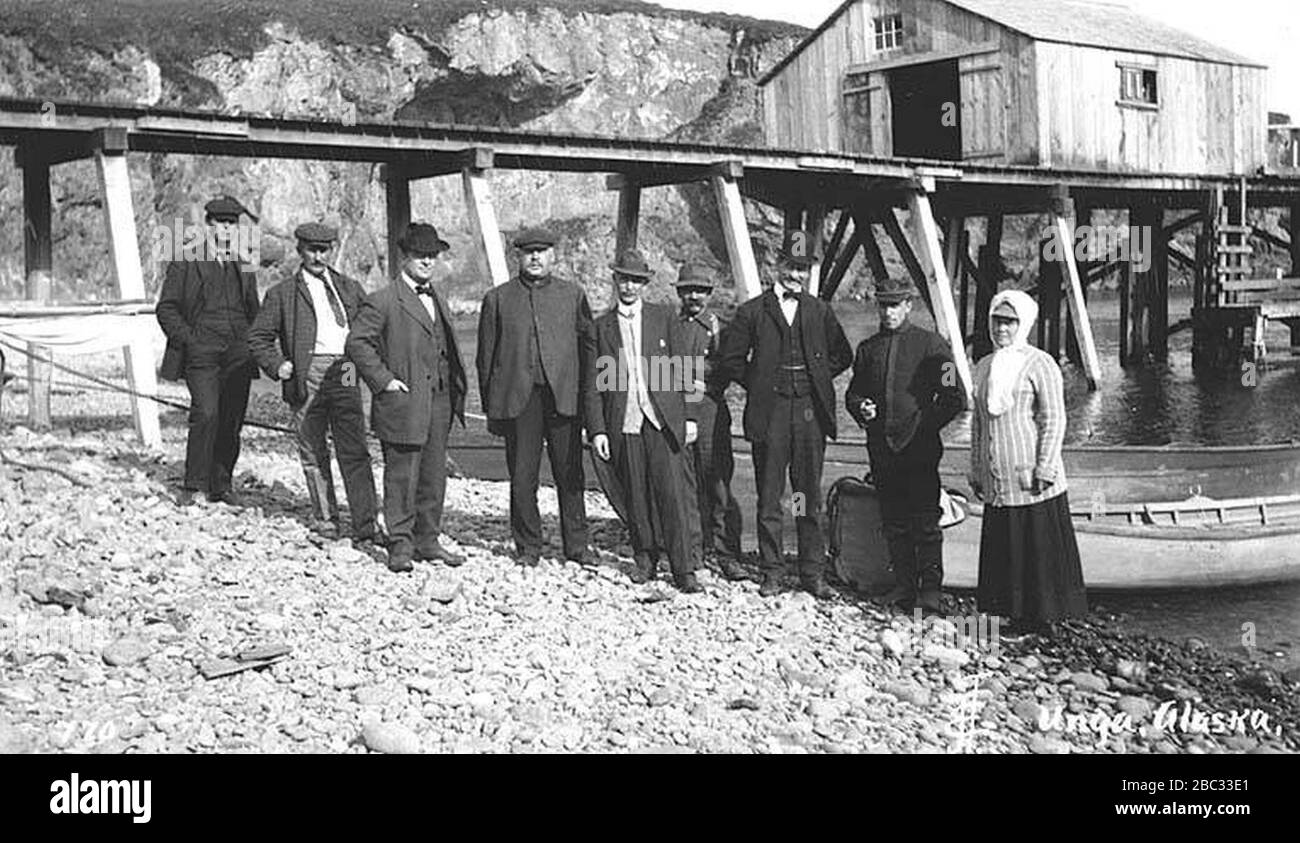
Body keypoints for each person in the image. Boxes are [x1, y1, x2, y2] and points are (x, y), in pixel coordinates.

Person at [711, 232, 853, 598]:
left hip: (808, 414)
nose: (797, 275)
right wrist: (760, 384)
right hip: (769, 414)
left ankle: (811, 573)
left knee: (806, 495)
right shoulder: (752, 311)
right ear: (777, 266)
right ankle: (771, 571)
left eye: (803, 269)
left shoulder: (819, 310)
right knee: (771, 496)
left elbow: (843, 355)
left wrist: (816, 379)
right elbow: (730, 361)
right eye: (792, 266)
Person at [345, 223, 468, 574]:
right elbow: (356, 343)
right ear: (405, 257)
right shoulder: (384, 299)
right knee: (401, 475)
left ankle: (427, 539)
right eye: (420, 255)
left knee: (433, 473)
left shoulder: (438, 297)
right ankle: (400, 542)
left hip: (440, 401)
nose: (428, 261)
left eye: (433, 255)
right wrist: (384, 382)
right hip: (403, 401)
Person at [248, 222, 379, 548]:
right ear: (300, 251)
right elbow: (258, 338)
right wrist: (278, 366)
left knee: (355, 448)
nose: (318, 256)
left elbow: (372, 330)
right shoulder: (282, 294)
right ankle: (326, 520)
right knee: (312, 448)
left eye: (324, 250)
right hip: (307, 372)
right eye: (312, 250)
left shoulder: (349, 288)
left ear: (331, 250)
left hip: (347, 366)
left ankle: (366, 524)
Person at [476, 226, 597, 568]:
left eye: (541, 251)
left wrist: (590, 405)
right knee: (523, 475)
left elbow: (589, 352)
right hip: (519, 400)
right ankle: (528, 546)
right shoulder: (498, 298)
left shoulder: (572, 295)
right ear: (519, 256)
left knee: (570, 474)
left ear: (552, 256)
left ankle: (577, 546)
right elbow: (486, 358)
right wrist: (492, 410)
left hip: (564, 397)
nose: (535, 257)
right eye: (529, 252)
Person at [845, 277, 967, 615]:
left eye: (895, 305)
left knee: (926, 521)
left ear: (908, 306)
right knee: (894, 519)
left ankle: (930, 592)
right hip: (882, 448)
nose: (888, 312)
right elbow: (853, 393)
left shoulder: (933, 345)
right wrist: (860, 408)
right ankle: (903, 585)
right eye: (883, 305)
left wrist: (924, 428)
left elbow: (953, 398)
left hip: (920, 448)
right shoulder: (867, 349)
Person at [969, 289, 1087, 638]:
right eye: (997, 320)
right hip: (997, 476)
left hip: (1031, 474)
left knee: (1036, 543)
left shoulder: (1040, 363)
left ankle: (1045, 618)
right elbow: (978, 423)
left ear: (1024, 324)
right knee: (1006, 544)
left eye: (1010, 322)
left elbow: (1054, 418)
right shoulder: (985, 365)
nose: (1001, 328)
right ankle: (1013, 615)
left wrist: (1046, 466)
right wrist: (976, 467)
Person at [586, 249, 702, 593]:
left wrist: (691, 416)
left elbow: (686, 370)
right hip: (624, 421)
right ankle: (645, 560)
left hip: (663, 420)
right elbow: (593, 384)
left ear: (644, 284)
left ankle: (683, 569)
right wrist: (597, 430)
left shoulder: (663, 317)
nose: (630, 286)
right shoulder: (601, 327)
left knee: (673, 496)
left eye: (636, 280)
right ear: (616, 281)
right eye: (624, 279)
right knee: (636, 495)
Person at [156, 195, 261, 506]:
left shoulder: (244, 264)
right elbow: (167, 309)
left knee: (231, 419)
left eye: (233, 223)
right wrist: (190, 340)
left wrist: (257, 345)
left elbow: (253, 310)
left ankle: (221, 485)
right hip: (202, 350)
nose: (227, 229)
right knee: (206, 413)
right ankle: (194, 485)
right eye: (222, 223)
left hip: (239, 351)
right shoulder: (186, 259)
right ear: (209, 224)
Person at [674, 262, 745, 581]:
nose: (694, 296)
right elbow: (657, 366)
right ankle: (693, 548)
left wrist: (702, 381)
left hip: (710, 410)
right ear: (679, 293)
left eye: (700, 290)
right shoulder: (669, 324)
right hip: (676, 408)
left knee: (717, 479)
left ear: (709, 294)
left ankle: (727, 552)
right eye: (688, 290)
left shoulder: (720, 327)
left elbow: (730, 368)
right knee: (684, 480)